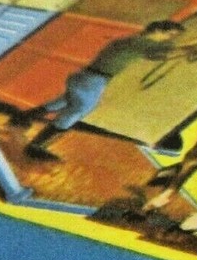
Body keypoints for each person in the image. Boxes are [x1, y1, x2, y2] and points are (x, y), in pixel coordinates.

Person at [15, 20, 185, 160]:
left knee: (65, 101)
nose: (169, 39)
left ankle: (22, 118)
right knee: (76, 112)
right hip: (94, 81)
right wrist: (186, 47)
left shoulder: (129, 41)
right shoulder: (142, 43)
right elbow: (161, 52)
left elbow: (157, 54)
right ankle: (35, 146)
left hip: (85, 77)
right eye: (169, 35)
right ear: (157, 30)